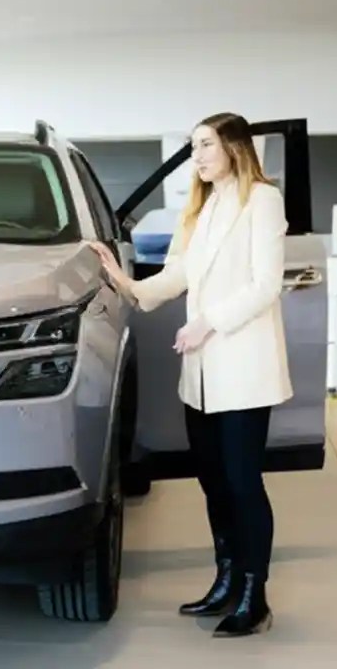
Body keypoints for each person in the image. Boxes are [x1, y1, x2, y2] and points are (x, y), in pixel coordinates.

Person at [90, 112, 290, 638]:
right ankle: (225, 580)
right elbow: (180, 274)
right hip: (201, 373)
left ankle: (254, 595)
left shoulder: (262, 200)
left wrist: (208, 323)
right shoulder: (200, 206)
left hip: (242, 366)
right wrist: (124, 280)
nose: (196, 156)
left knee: (244, 483)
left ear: (233, 147)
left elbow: (267, 283)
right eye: (194, 146)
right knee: (214, 481)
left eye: (204, 145)